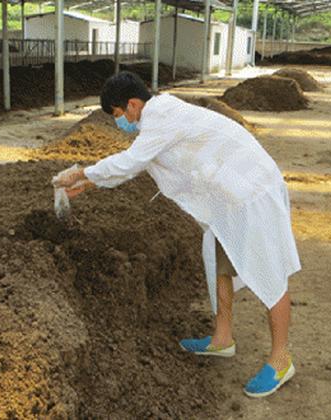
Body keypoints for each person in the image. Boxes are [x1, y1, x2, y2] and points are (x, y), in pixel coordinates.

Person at [53, 71, 301, 398]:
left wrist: (81, 172)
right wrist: (87, 183)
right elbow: (137, 164)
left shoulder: (162, 119)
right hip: (229, 197)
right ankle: (222, 339)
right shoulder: (159, 116)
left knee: (270, 274)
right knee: (221, 264)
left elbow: (131, 161)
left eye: (117, 116)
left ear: (131, 104)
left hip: (252, 193)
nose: (120, 124)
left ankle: (281, 359)